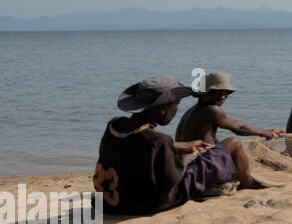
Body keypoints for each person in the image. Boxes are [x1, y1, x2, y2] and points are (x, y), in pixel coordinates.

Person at [94, 77, 264, 216]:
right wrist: (189, 157)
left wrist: (180, 145)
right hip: (147, 202)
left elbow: (136, 145)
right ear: (163, 109)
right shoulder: (159, 140)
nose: (175, 111)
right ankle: (248, 183)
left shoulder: (115, 126)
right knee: (232, 144)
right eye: (175, 106)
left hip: (116, 200)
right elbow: (173, 177)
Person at [176, 72, 283, 175]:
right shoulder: (211, 110)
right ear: (204, 93)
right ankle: (248, 183)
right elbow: (239, 128)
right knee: (234, 142)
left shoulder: (194, 110)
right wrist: (265, 133)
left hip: (188, 163)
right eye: (217, 93)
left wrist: (265, 131)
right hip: (197, 164)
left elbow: (235, 122)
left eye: (226, 93)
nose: (222, 97)